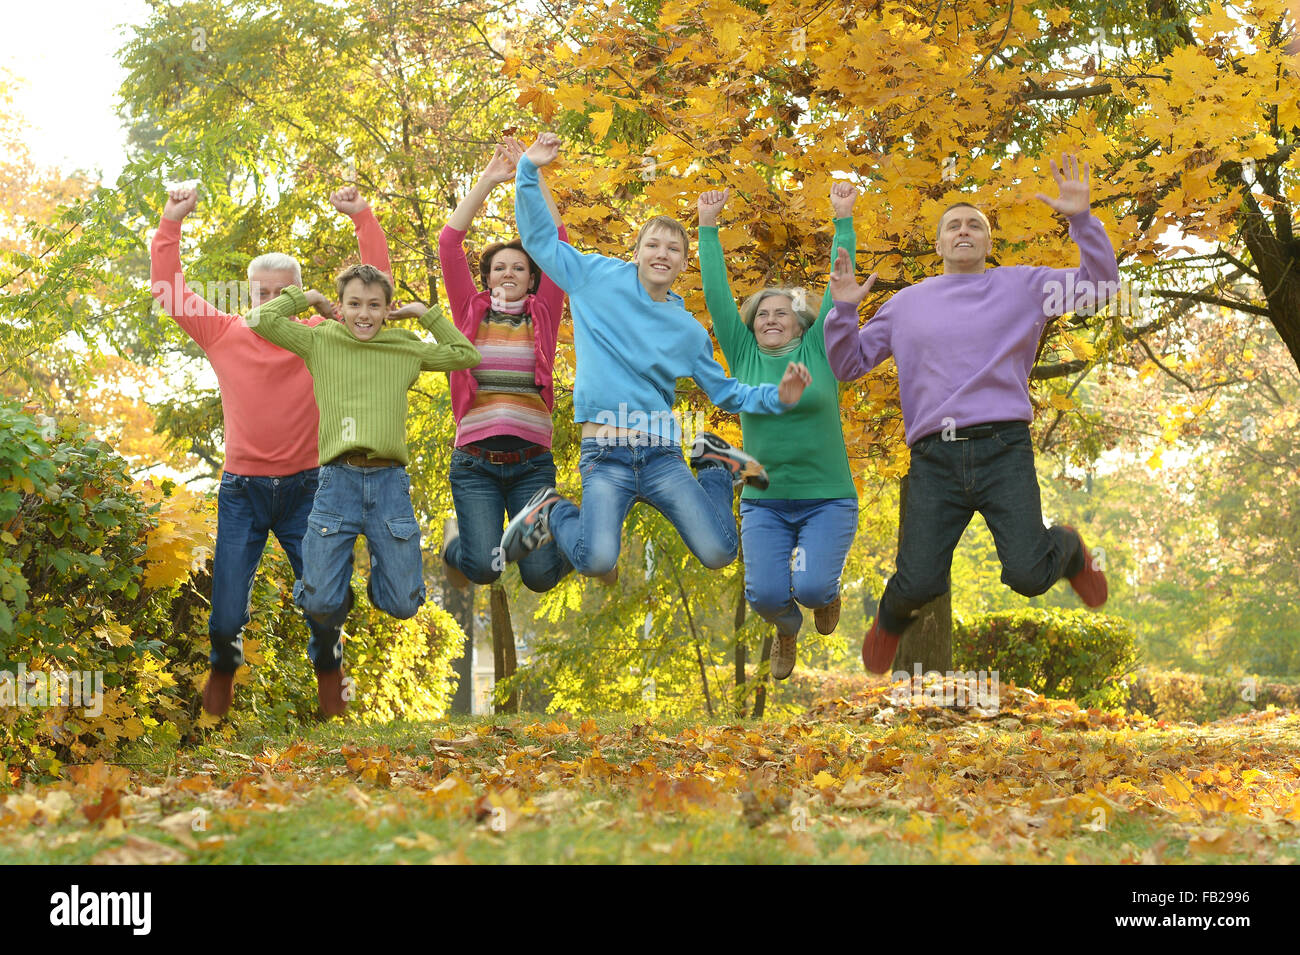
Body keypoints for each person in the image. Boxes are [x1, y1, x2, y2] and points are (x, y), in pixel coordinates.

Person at [823, 153, 1113, 675]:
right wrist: (843, 310)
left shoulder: (1024, 286)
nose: (963, 230)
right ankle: (889, 620)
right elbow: (848, 365)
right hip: (934, 458)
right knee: (918, 581)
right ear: (938, 245)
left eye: (974, 225)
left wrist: (1082, 221)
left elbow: (1101, 289)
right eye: (953, 225)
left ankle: (1067, 548)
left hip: (1004, 449)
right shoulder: (905, 304)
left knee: (1028, 575)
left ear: (987, 243)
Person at [498, 133, 811, 578]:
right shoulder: (595, 277)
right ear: (636, 253)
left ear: (683, 263)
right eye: (653, 245)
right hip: (604, 454)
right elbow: (540, 241)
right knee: (596, 559)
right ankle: (551, 511)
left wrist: (778, 396)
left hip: (660, 453)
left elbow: (725, 392)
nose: (662, 254)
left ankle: (714, 465)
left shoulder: (688, 331)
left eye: (673, 249)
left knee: (720, 552)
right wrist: (529, 170)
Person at [149, 184, 391, 718]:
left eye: (285, 293)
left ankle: (330, 674)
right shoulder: (223, 333)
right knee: (225, 613)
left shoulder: (323, 337)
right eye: (262, 294)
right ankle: (223, 664)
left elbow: (375, 292)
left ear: (301, 296)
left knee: (327, 604)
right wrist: (171, 221)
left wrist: (362, 217)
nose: (273, 303)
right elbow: (168, 290)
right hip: (243, 491)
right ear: (249, 297)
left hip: (309, 489)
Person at [245, 263, 480, 714]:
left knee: (404, 604)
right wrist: (308, 299)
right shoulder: (320, 340)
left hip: (390, 485)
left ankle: (377, 578)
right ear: (341, 306)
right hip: (337, 483)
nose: (364, 314)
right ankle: (335, 588)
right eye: (354, 304)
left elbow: (465, 355)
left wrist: (423, 314)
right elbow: (259, 320)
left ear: (387, 309)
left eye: (374, 305)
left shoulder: (403, 346)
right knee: (319, 602)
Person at [697, 182, 861, 681]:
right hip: (765, 501)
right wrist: (707, 227)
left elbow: (839, 283)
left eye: (781, 313)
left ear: (800, 323)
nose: (770, 319)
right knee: (767, 596)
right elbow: (717, 296)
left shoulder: (820, 350)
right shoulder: (743, 355)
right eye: (763, 314)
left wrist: (843, 218)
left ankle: (825, 595)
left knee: (811, 586)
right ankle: (787, 628)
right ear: (751, 325)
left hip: (826, 498)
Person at [438, 138, 575, 592]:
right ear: (487, 277)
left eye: (519, 267)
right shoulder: (469, 311)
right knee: (483, 569)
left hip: (531, 465)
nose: (509, 273)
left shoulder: (544, 313)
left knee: (539, 577)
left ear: (533, 278)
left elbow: (559, 241)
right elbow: (449, 243)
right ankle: (454, 544)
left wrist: (533, 173)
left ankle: (583, 540)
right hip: (475, 463)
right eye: (500, 268)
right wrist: (489, 179)